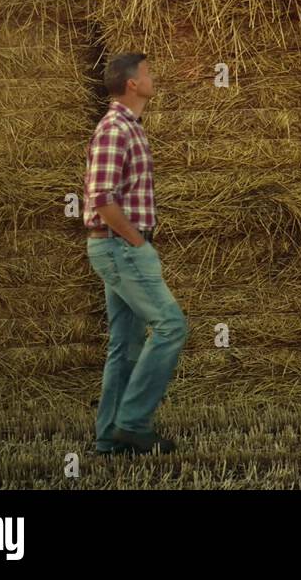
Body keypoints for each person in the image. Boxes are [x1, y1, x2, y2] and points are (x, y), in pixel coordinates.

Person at [83, 53, 187, 455]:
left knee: (124, 344)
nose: (153, 78)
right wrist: (137, 242)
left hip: (119, 244)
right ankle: (133, 423)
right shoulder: (114, 129)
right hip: (121, 245)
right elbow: (102, 197)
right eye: (148, 73)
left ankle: (109, 436)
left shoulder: (130, 127)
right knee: (171, 326)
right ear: (131, 83)